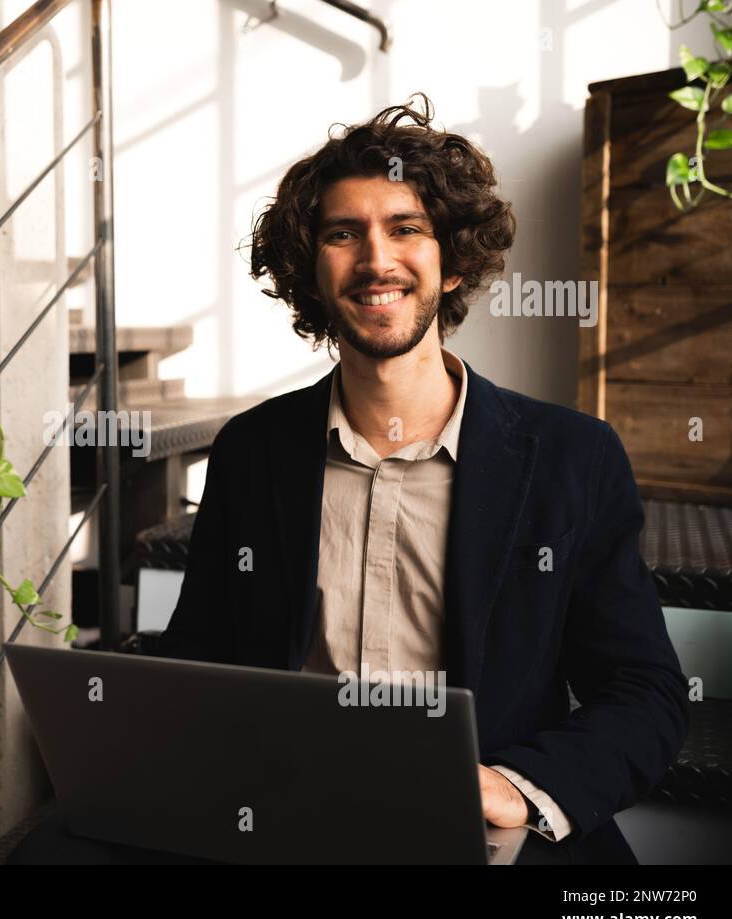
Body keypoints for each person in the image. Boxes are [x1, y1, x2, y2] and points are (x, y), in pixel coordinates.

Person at [156, 93, 690, 865]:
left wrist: (516, 786)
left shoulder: (573, 458)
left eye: (406, 229)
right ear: (314, 269)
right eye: (344, 234)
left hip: (482, 834)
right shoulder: (253, 450)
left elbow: (644, 694)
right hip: (290, 821)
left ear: (455, 260)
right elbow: (199, 659)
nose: (376, 260)